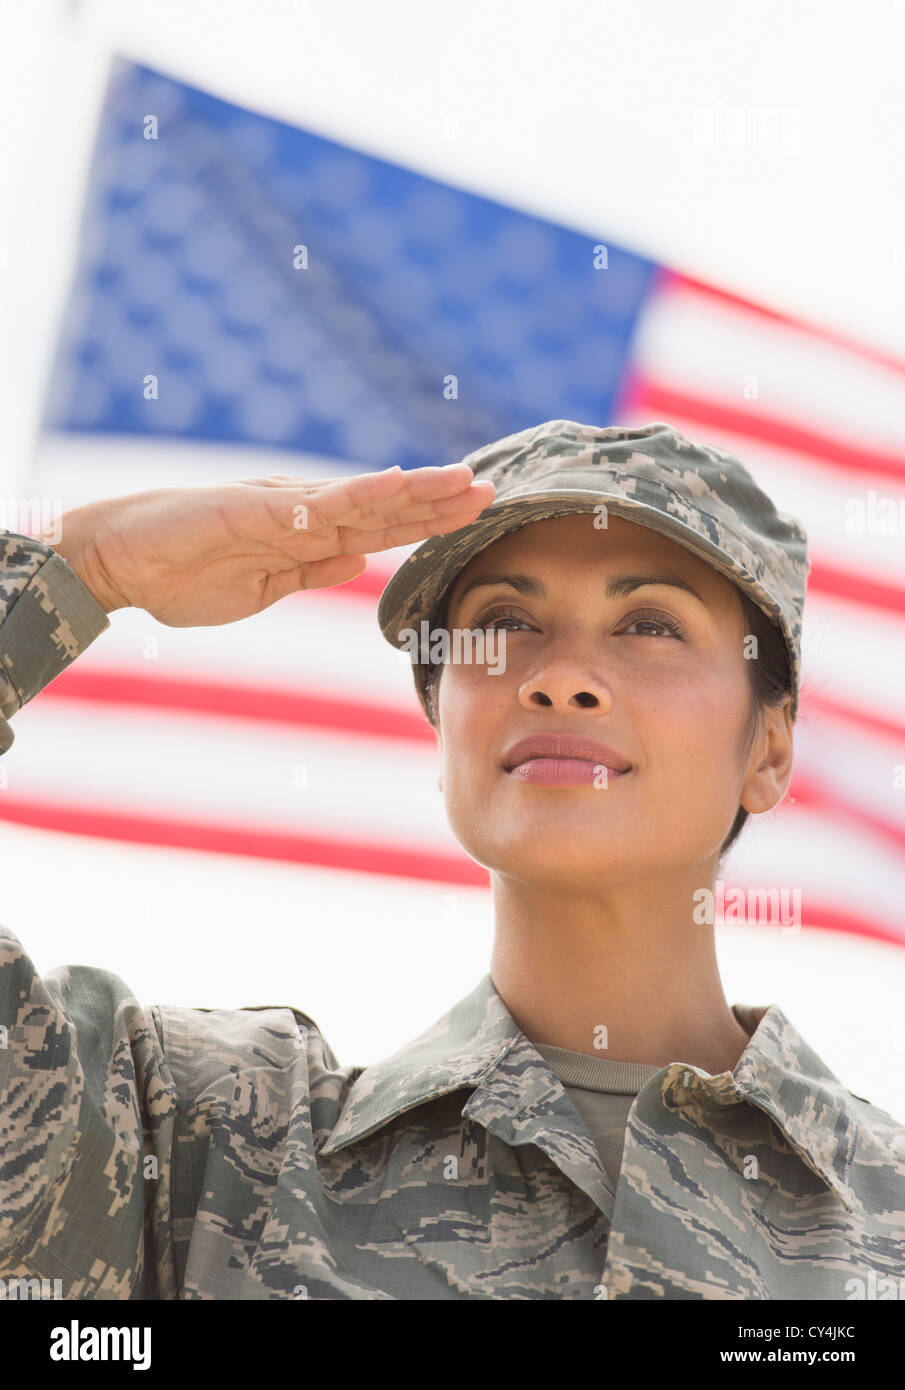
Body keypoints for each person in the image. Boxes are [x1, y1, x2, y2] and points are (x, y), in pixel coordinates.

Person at [0, 419, 902, 1301]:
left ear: (767, 751)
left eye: (649, 625)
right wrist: (85, 566)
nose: (560, 676)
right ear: (444, 727)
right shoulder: (205, 1141)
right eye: (504, 620)